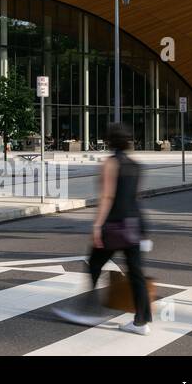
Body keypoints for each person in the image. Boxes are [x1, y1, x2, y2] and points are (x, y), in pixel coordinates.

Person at [55, 124, 153, 334]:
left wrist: (97, 226)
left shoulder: (110, 163)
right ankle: (142, 321)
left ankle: (89, 311)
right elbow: (135, 198)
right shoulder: (136, 165)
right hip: (133, 225)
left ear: (110, 141)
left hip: (113, 226)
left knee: (94, 265)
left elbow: (107, 197)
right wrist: (143, 230)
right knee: (136, 273)